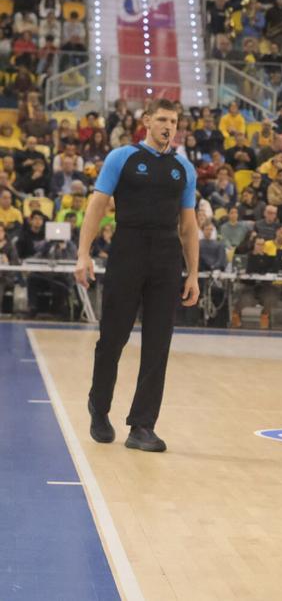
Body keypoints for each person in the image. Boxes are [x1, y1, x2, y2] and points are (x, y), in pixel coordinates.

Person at [75, 99, 200, 453]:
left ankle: (142, 425)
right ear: (146, 121)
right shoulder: (122, 157)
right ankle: (99, 409)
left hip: (165, 258)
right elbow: (97, 205)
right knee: (112, 339)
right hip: (127, 252)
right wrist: (83, 255)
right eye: (162, 119)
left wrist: (193, 274)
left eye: (173, 121)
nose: (168, 126)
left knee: (158, 345)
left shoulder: (183, 168)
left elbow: (188, 226)